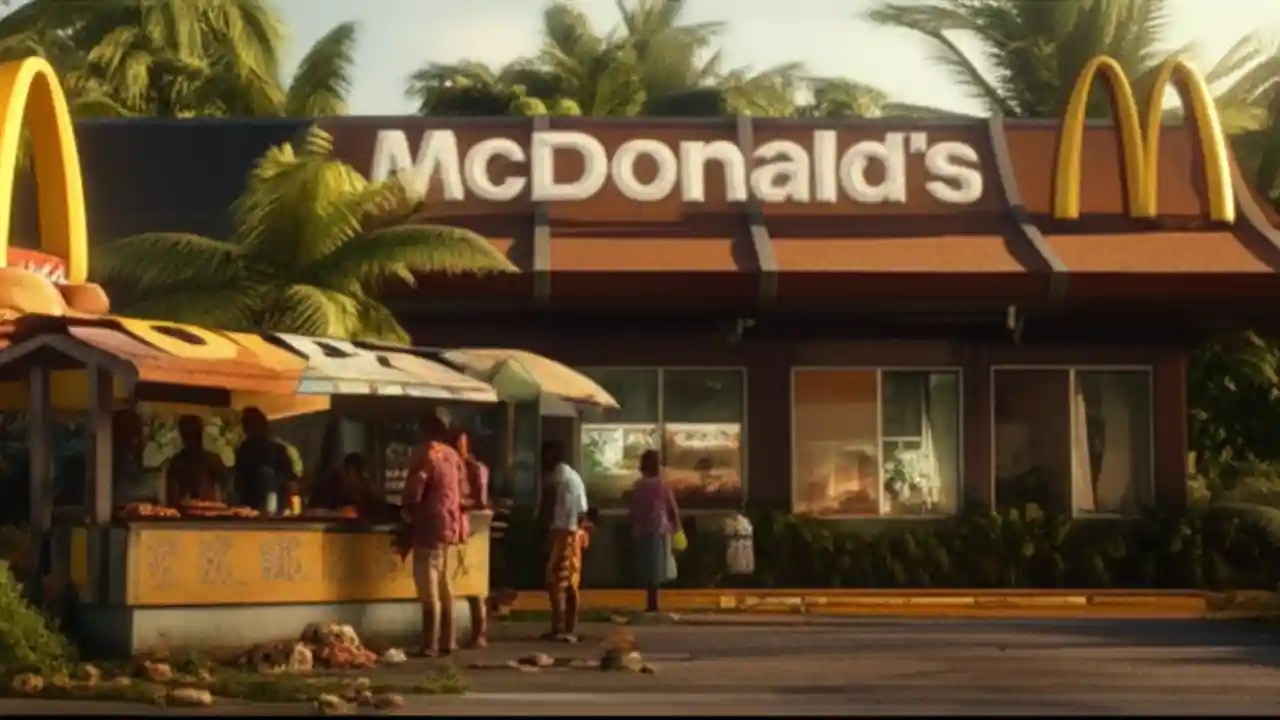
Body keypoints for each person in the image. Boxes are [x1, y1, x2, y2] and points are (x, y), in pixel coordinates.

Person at [402, 412, 467, 657]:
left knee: (428, 583)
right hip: (450, 525)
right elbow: (463, 490)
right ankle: (448, 640)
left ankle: (430, 642)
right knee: (445, 582)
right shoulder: (453, 456)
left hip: (429, 524)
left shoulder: (428, 454)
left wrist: (407, 506)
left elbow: (415, 492)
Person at [541, 440, 588, 641]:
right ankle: (569, 625)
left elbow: (553, 509)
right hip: (574, 533)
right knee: (570, 582)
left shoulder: (559, 478)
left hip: (563, 533)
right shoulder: (574, 477)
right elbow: (582, 511)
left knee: (554, 580)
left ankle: (559, 625)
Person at [628, 449, 681, 613]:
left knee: (647, 567)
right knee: (658, 568)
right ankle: (653, 602)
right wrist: (677, 527)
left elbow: (633, 510)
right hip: (659, 530)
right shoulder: (662, 485)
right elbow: (672, 508)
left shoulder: (638, 486)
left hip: (642, 530)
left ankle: (651, 602)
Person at [454, 430, 491, 649]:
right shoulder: (454, 466)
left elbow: (481, 501)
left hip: (474, 526)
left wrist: (461, 504)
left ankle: (480, 633)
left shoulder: (475, 469)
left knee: (475, 586)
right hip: (460, 525)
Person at [233, 407, 295, 513]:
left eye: (249, 423)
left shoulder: (277, 450)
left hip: (269, 511)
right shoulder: (245, 450)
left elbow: (290, 483)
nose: (246, 427)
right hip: (250, 511)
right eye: (245, 423)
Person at [164, 415, 225, 505]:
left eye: (194, 434)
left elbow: (225, 492)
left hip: (208, 512)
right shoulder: (176, 463)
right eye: (188, 434)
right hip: (187, 513)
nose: (192, 440)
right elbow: (171, 498)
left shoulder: (212, 460)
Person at [310, 452, 377, 512]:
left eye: (347, 472)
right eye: (345, 472)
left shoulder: (370, 499)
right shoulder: (336, 495)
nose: (343, 476)